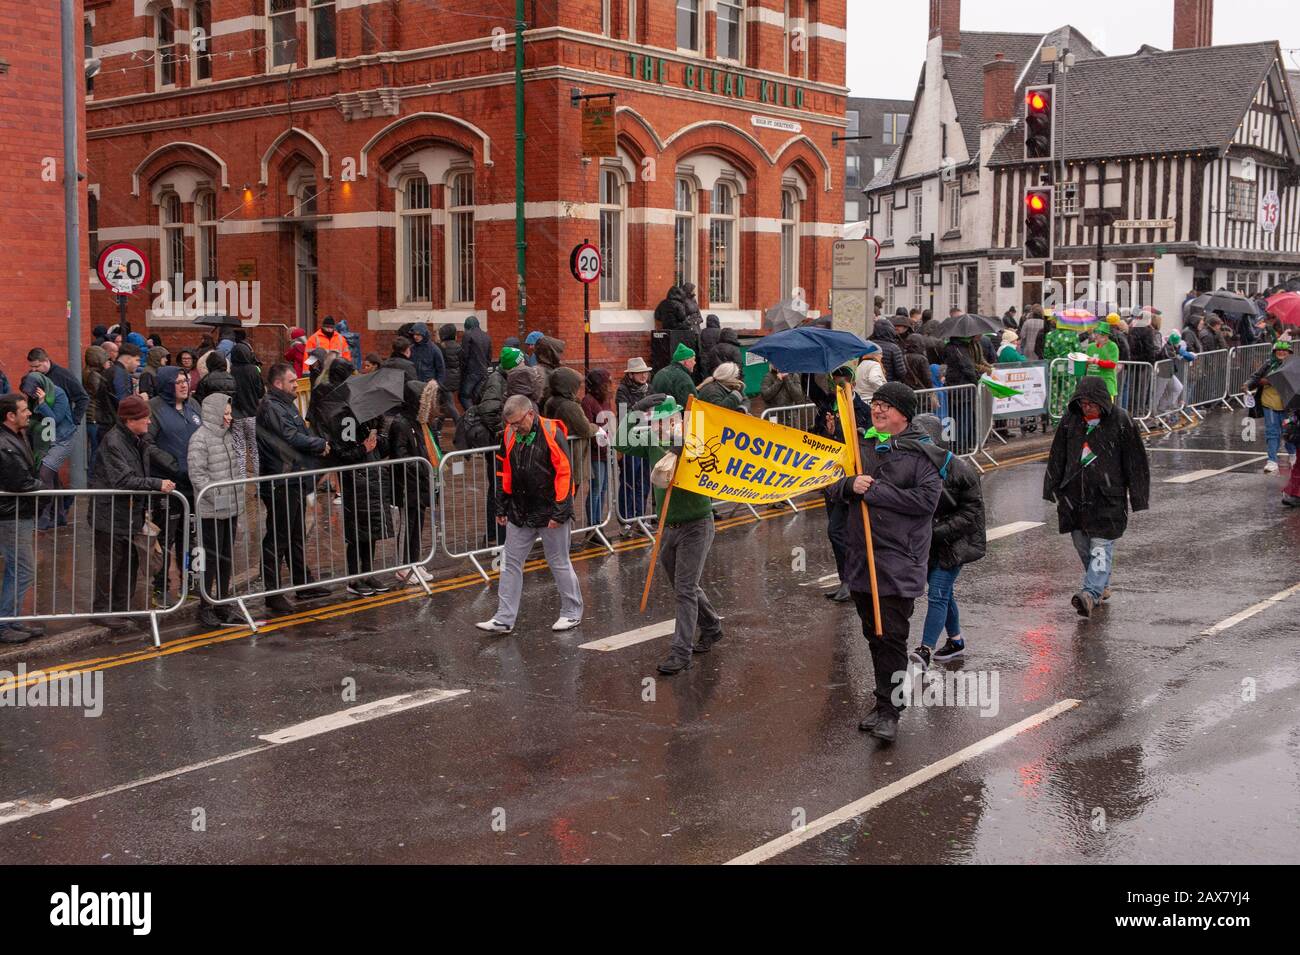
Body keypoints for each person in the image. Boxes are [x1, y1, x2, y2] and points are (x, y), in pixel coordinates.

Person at [828, 382, 943, 743]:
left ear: (904, 415)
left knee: (892, 636)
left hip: (900, 561)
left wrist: (872, 489)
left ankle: (891, 711)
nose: (878, 411)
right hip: (862, 560)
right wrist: (848, 486)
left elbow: (925, 501)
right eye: (875, 404)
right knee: (874, 636)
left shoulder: (924, 454)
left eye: (887, 406)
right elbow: (829, 484)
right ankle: (882, 703)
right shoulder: (859, 447)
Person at [614, 396, 722, 674]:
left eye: (666, 421)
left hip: (696, 524)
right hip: (667, 527)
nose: (661, 426)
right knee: (684, 586)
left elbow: (713, 465)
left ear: (677, 420)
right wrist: (635, 410)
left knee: (685, 590)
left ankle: (680, 653)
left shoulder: (695, 441)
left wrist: (684, 451)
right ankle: (711, 625)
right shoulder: (651, 442)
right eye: (657, 422)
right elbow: (620, 443)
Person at [1043, 375, 1150, 619]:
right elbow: (1057, 454)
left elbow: (1135, 461)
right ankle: (1101, 585)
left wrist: (1138, 496)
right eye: (1082, 403)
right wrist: (1052, 486)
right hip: (1074, 499)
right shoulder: (1071, 421)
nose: (1086, 407)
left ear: (1102, 402)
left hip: (1107, 500)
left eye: (1091, 403)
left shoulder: (1121, 420)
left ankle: (1090, 594)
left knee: (1100, 547)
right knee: (1083, 546)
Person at [475, 394, 583, 634]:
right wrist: (501, 506)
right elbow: (505, 472)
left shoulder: (552, 432)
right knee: (510, 563)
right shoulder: (510, 434)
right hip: (520, 510)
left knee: (559, 562)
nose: (513, 428)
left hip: (549, 509)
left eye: (517, 423)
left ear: (531, 414)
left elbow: (564, 473)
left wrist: (560, 511)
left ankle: (571, 612)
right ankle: (504, 618)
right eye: (510, 424)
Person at [90, 395, 177, 632]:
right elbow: (123, 479)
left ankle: (122, 609)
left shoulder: (135, 440)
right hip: (110, 514)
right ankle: (102, 611)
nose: (149, 422)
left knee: (128, 564)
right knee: (110, 565)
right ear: (130, 420)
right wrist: (156, 484)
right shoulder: (114, 442)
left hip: (129, 514)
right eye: (145, 418)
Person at [908, 414, 986, 669]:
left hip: (954, 544)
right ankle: (956, 640)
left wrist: (938, 530)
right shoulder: (918, 468)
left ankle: (925, 649)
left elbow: (971, 513)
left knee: (938, 594)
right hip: (929, 543)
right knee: (945, 593)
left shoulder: (961, 470)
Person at [256, 363, 333, 613]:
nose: (295, 385)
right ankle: (273, 592)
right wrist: (318, 444)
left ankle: (303, 583)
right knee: (278, 537)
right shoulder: (271, 406)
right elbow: (290, 437)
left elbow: (299, 431)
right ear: (278, 384)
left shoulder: (285, 404)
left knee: (296, 534)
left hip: (294, 478)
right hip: (280, 480)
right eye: (291, 381)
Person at [187, 393, 245, 628]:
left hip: (229, 508)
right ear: (214, 414)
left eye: (230, 413)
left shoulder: (229, 437)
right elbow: (198, 475)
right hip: (210, 510)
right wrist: (218, 497)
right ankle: (205, 606)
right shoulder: (199, 439)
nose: (230, 418)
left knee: (225, 558)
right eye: (226, 413)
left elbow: (236, 468)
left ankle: (222, 602)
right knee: (210, 560)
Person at [146, 366, 202, 603]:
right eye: (177, 381)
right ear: (166, 384)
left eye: (185, 380)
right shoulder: (154, 409)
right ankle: (160, 588)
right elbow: (148, 444)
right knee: (164, 540)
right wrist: (173, 466)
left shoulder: (194, 406)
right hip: (169, 487)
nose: (183, 385)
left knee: (191, 538)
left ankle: (191, 584)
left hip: (194, 485)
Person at [385, 379, 439, 586]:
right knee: (407, 526)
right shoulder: (401, 423)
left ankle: (414, 561)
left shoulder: (418, 423)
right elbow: (401, 455)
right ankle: (403, 565)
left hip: (419, 484)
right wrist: (422, 467)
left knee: (418, 525)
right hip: (407, 486)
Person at [0, 394, 43, 643]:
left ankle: (12, 621)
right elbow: (21, 481)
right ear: (10, 416)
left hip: (18, 513)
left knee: (18, 570)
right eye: (25, 410)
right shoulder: (5, 442)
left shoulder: (16, 435)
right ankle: (5, 624)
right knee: (22, 570)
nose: (29, 414)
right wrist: (41, 485)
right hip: (11, 515)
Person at [543, 367, 597, 528]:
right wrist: (596, 428)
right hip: (572, 456)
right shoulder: (569, 406)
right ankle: (564, 536)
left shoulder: (551, 401)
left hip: (559, 453)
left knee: (560, 496)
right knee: (567, 499)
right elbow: (585, 429)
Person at [20, 371, 75, 529]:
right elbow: (33, 419)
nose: (30, 396)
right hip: (45, 441)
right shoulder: (32, 397)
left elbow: (54, 420)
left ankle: (44, 516)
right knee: (52, 477)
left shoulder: (58, 394)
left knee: (44, 474)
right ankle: (60, 515)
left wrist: (42, 403)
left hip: (63, 440)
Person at [1246, 339, 1297, 474]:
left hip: (1289, 406)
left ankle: (1293, 456)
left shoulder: (1295, 366)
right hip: (1269, 404)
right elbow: (1256, 377)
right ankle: (1272, 461)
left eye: (1284, 350)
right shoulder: (1268, 364)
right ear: (1274, 352)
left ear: (1289, 352)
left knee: (1290, 433)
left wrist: (1273, 379)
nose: (1281, 352)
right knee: (1272, 433)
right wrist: (1247, 385)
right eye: (1278, 350)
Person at [615, 359, 653, 534]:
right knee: (629, 481)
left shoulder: (649, 389)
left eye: (645, 372)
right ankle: (627, 519)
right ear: (630, 374)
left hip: (646, 439)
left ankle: (641, 517)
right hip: (631, 441)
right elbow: (626, 415)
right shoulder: (623, 391)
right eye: (639, 372)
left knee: (644, 481)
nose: (644, 375)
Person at [580, 369, 613, 531]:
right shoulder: (587, 401)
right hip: (595, 453)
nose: (609, 387)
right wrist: (600, 443)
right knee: (596, 488)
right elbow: (589, 427)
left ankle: (598, 522)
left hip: (606, 451)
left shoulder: (606, 400)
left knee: (604, 488)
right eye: (607, 383)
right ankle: (593, 525)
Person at [229, 342, 264, 476]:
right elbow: (260, 392)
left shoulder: (231, 371)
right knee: (255, 450)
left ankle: (241, 484)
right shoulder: (254, 370)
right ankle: (259, 484)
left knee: (240, 451)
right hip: (253, 415)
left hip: (236, 416)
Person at [96, 341, 141, 424]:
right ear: (128, 359)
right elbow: (124, 403)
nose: (139, 364)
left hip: (106, 421)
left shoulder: (111, 371)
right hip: (113, 423)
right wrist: (140, 399)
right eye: (137, 360)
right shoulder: (121, 374)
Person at [651, 342, 698, 408]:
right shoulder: (683, 378)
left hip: (656, 414)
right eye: (693, 360)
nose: (695, 363)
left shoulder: (661, 372)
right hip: (674, 416)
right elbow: (693, 405)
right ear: (686, 362)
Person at [460, 315, 492, 408]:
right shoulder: (487, 336)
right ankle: (479, 417)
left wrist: (462, 371)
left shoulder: (468, 335)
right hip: (484, 372)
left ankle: (472, 416)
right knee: (477, 397)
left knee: (464, 396)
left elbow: (464, 355)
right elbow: (489, 356)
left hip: (471, 372)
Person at [1083, 323, 1120, 399]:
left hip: (1106, 384)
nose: (1096, 335)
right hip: (1091, 384)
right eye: (1095, 332)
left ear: (1106, 336)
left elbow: (1112, 364)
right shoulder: (1090, 347)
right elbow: (1086, 365)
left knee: (1106, 408)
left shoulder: (1112, 346)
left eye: (1099, 333)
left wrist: (1096, 361)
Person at [433, 324, 459, 425]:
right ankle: (439, 426)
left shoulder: (441, 347)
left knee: (449, 403)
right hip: (454, 378)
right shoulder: (458, 346)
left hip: (444, 378)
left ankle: (459, 424)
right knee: (443, 403)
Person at [697, 314, 723, 381]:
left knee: (706, 379)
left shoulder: (703, 332)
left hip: (705, 359)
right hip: (717, 359)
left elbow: (699, 345)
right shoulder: (720, 332)